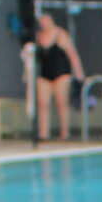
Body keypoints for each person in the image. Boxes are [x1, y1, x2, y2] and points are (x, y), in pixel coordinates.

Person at [32, 13, 84, 142]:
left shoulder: (60, 34)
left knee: (61, 103)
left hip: (61, 73)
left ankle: (64, 132)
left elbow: (72, 54)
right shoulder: (39, 37)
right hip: (44, 74)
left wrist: (78, 72)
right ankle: (43, 133)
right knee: (42, 103)